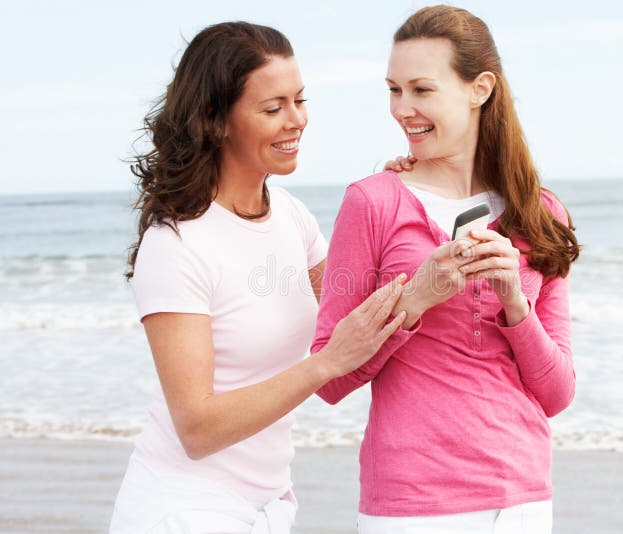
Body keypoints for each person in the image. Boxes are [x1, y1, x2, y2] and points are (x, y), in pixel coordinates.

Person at [109, 22, 409, 533]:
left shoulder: (290, 215)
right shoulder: (176, 244)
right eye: (273, 108)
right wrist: (323, 365)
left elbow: (362, 311)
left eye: (300, 100)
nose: (297, 120)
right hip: (185, 508)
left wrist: (398, 193)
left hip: (268, 505)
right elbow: (197, 429)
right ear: (217, 121)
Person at [311, 5, 580, 533]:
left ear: (480, 89)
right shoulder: (373, 202)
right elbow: (330, 377)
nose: (402, 108)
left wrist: (515, 304)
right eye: (394, 90)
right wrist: (414, 301)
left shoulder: (541, 212)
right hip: (409, 505)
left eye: (421, 90)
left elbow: (558, 394)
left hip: (521, 502)